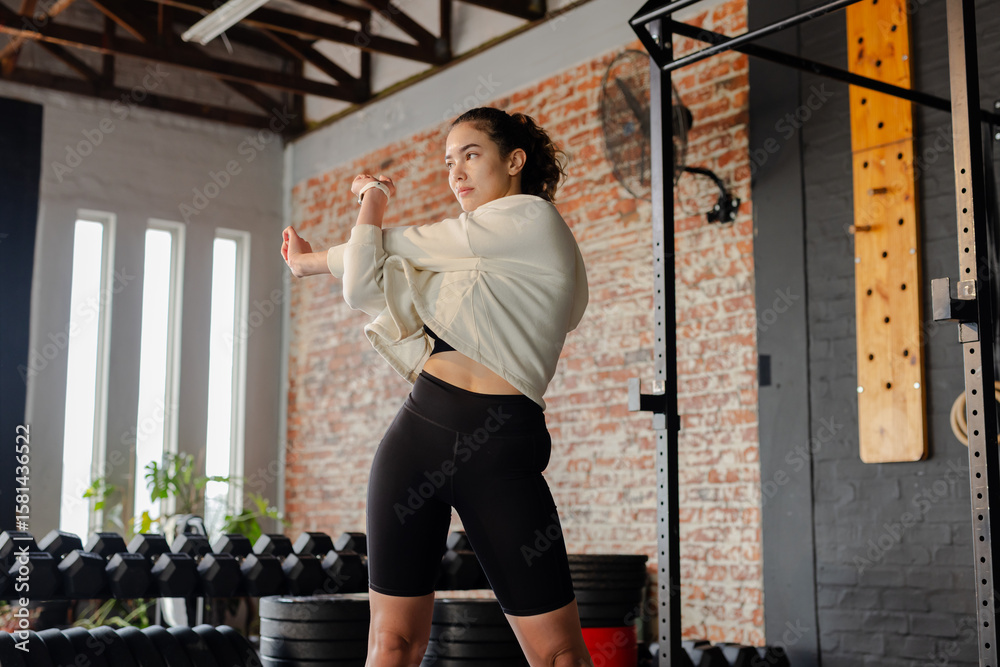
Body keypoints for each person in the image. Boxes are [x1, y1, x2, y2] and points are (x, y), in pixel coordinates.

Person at [281, 106, 592, 667]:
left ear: (515, 161)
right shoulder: (468, 258)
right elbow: (367, 273)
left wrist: (372, 195)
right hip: (419, 434)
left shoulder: (532, 221)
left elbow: (393, 246)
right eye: (449, 162)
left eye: (471, 155)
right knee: (393, 643)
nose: (456, 173)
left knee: (559, 653)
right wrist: (310, 262)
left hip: (500, 445)